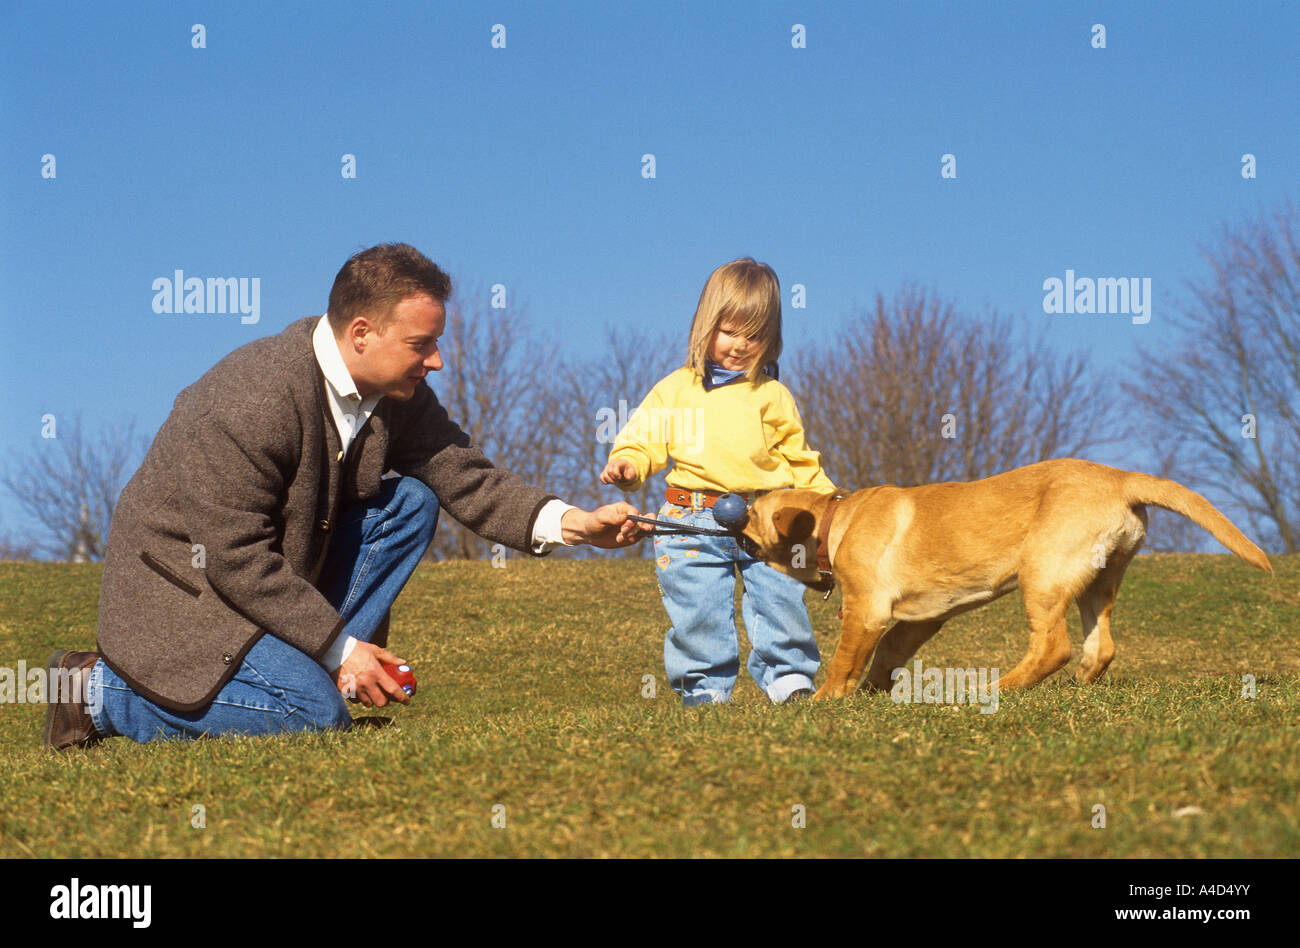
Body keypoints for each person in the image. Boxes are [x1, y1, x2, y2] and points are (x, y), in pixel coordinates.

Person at [43, 243, 649, 751]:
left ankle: (313, 673)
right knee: (312, 721)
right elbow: (235, 560)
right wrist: (344, 649)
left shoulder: (397, 396)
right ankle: (94, 693)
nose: (436, 360)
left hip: (265, 588)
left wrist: (575, 524)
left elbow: (466, 476)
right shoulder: (248, 400)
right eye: (421, 344)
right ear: (362, 333)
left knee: (410, 501)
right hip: (187, 602)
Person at [599, 257, 836, 706]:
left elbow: (799, 459)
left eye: (755, 335)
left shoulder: (772, 395)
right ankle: (703, 689)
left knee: (782, 602)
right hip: (690, 518)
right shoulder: (676, 389)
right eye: (730, 331)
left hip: (767, 519)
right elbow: (643, 438)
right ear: (706, 325)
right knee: (697, 610)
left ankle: (789, 681)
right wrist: (628, 463)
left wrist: (829, 506)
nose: (741, 345)